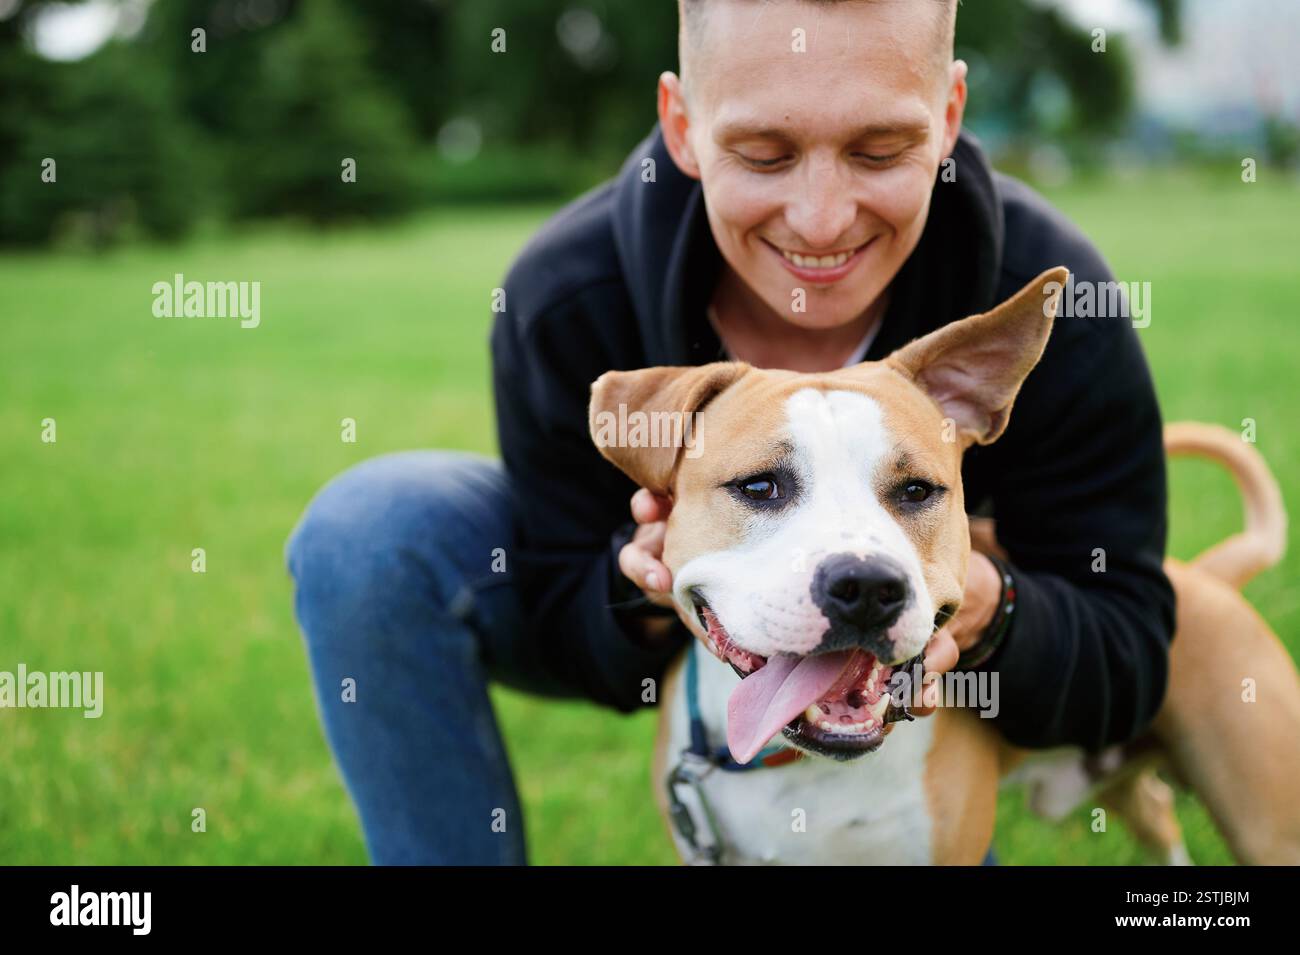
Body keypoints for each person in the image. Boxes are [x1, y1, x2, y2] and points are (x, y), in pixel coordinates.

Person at [286, 0, 1174, 864]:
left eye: (879, 151)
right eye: (763, 153)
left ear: (948, 116)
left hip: (940, 726)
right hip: (666, 628)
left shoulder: (1049, 312)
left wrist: (989, 603)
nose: (822, 219)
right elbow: (560, 606)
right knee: (370, 530)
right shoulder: (565, 297)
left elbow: (1132, 652)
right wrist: (639, 590)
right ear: (681, 125)